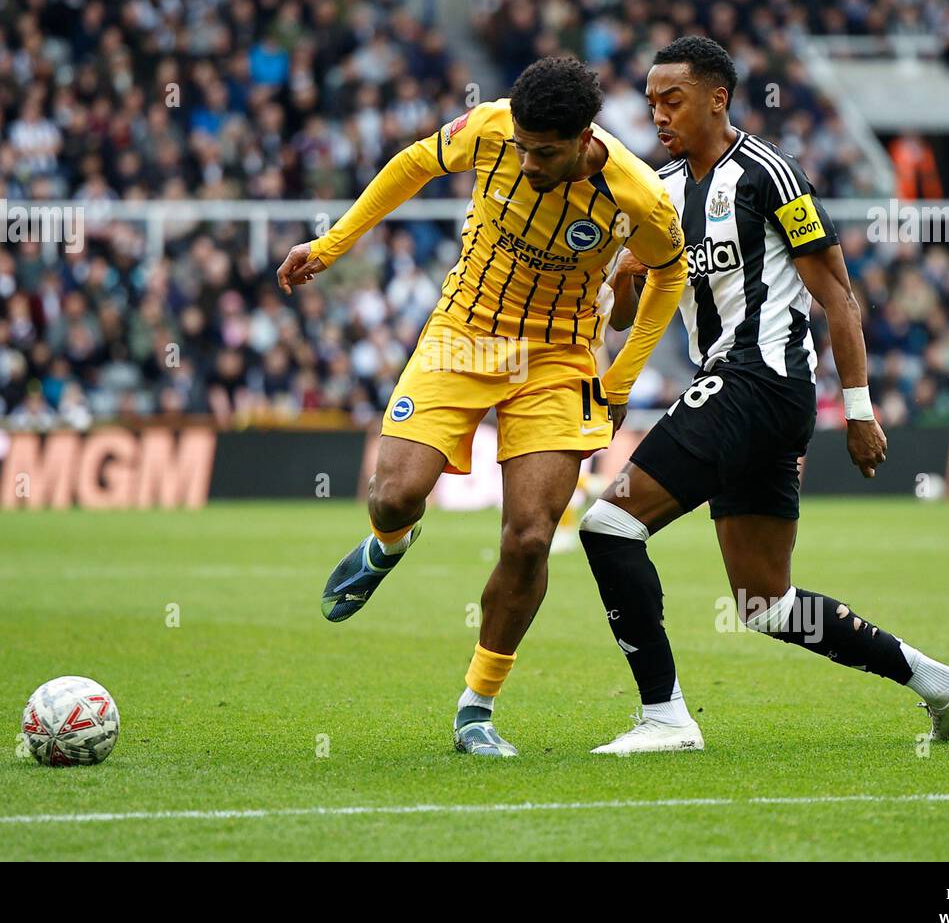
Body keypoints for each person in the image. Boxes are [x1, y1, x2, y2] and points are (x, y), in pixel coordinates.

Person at [580, 36, 949, 755]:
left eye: (671, 99)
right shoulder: (659, 189)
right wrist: (622, 282)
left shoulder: (768, 173)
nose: (658, 114)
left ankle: (665, 718)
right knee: (766, 603)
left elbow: (837, 293)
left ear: (718, 96)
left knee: (609, 527)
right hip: (744, 393)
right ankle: (941, 684)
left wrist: (858, 412)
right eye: (650, 102)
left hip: (759, 378)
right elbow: (625, 312)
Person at [277, 57, 688, 756]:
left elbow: (669, 273)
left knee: (530, 538)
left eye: (545, 153)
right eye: (522, 147)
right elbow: (412, 163)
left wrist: (619, 382)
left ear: (585, 137)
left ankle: (477, 707)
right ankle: (389, 543)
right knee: (393, 496)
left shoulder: (638, 197)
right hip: (464, 335)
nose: (527, 162)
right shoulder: (492, 126)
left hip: (557, 358)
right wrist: (333, 243)